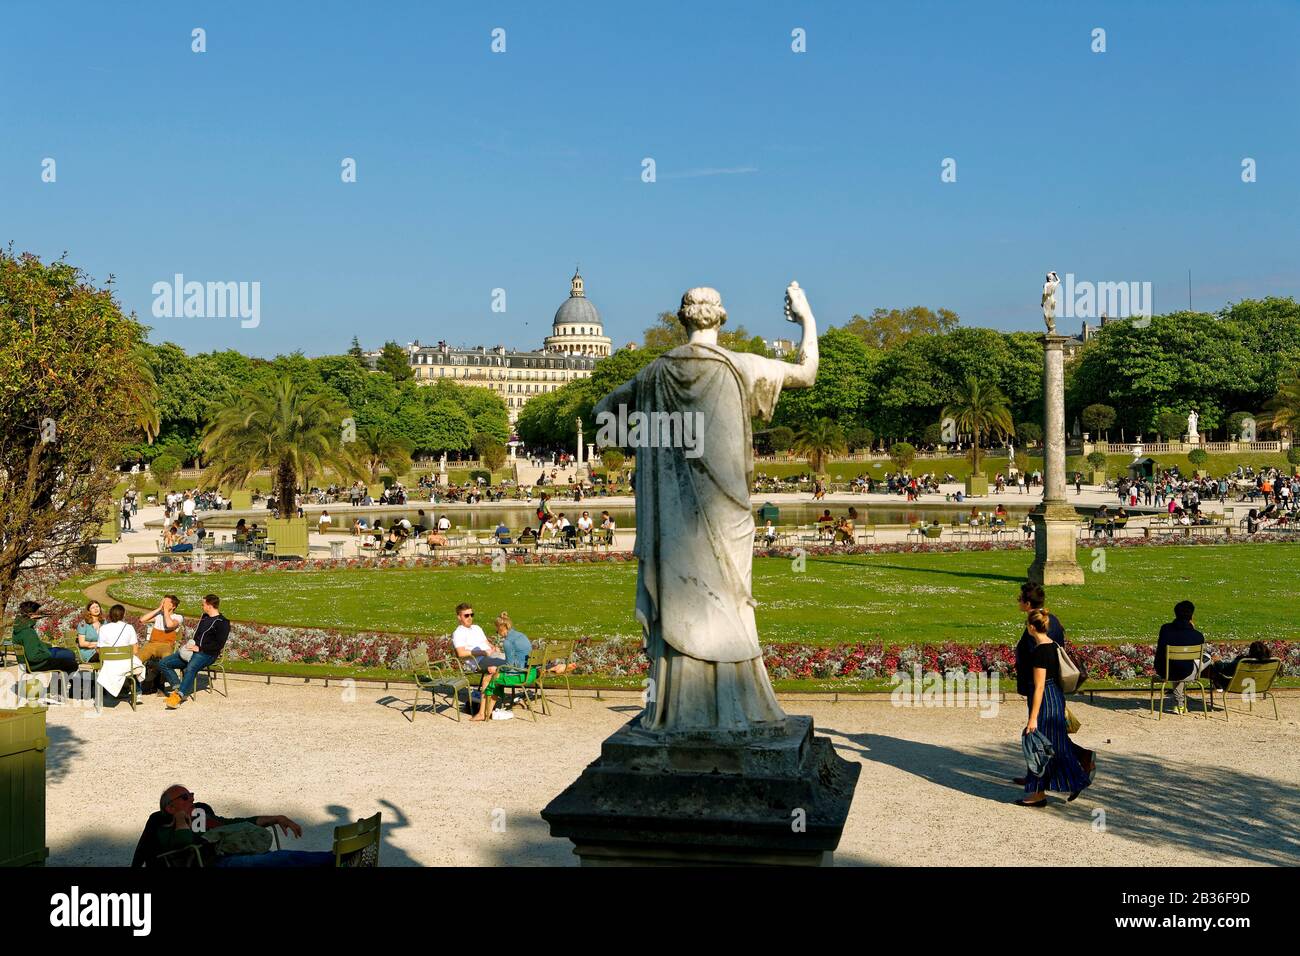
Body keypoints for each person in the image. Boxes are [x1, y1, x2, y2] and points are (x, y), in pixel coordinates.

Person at [133, 785, 333, 868]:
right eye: (185, 797)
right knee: (282, 859)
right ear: (170, 807)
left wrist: (276, 818)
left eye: (192, 795)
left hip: (232, 853)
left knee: (280, 858)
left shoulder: (202, 816)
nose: (192, 799)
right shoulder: (162, 828)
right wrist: (181, 820)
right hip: (215, 863)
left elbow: (232, 823)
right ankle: (337, 859)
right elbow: (184, 845)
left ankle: (338, 857)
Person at [1012, 583, 1094, 783]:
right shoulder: (1052, 620)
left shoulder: (1038, 629)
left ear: (1028, 602)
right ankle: (1036, 775)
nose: (1017, 601)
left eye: (1020, 598)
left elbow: (1037, 658)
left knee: (1039, 732)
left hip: (1042, 686)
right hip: (1050, 685)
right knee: (1048, 732)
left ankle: (1043, 776)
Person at [159, 594, 229, 710]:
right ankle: (179, 689)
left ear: (209, 605)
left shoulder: (222, 622)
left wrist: (200, 649)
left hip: (208, 654)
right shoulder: (205, 617)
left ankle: (178, 696)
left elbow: (219, 644)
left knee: (190, 668)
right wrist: (190, 644)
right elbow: (197, 637)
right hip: (192, 651)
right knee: (164, 663)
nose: (202, 606)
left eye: (203, 604)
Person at [450, 603, 508, 722]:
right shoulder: (458, 633)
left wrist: (493, 648)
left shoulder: (477, 628)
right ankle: (486, 709)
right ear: (459, 617)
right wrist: (482, 653)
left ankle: (490, 707)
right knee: (505, 664)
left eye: (471, 614)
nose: (470, 617)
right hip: (478, 662)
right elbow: (460, 653)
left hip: (490, 655)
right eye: (466, 615)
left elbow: (486, 642)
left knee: (511, 660)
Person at [1155, 600, 1208, 714]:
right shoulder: (1197, 636)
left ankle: (1179, 704)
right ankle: (1179, 704)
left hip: (1165, 670)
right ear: (1191, 616)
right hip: (1186, 671)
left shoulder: (1165, 629)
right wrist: (1192, 629)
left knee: (1178, 664)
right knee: (1206, 657)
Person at [11, 601, 78, 675]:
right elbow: (33, 657)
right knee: (71, 660)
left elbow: (33, 644)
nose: (41, 616)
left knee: (65, 654)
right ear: (32, 615)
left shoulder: (18, 629)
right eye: (39, 613)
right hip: (35, 665)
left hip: (27, 663)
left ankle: (58, 684)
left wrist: (48, 646)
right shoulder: (28, 632)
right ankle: (59, 685)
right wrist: (48, 654)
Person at [96, 604, 146, 700]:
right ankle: (137, 692)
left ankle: (121, 690)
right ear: (123, 615)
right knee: (137, 664)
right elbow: (135, 650)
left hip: (109, 663)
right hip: (125, 662)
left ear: (110, 615)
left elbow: (99, 650)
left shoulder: (103, 628)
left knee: (133, 663)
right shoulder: (129, 627)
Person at [1202, 641, 1273, 691]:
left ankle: (1194, 674)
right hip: (1256, 686)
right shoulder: (1268, 663)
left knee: (1212, 669)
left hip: (1234, 685)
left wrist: (1217, 660)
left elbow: (1224, 669)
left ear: (1251, 651)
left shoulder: (1243, 662)